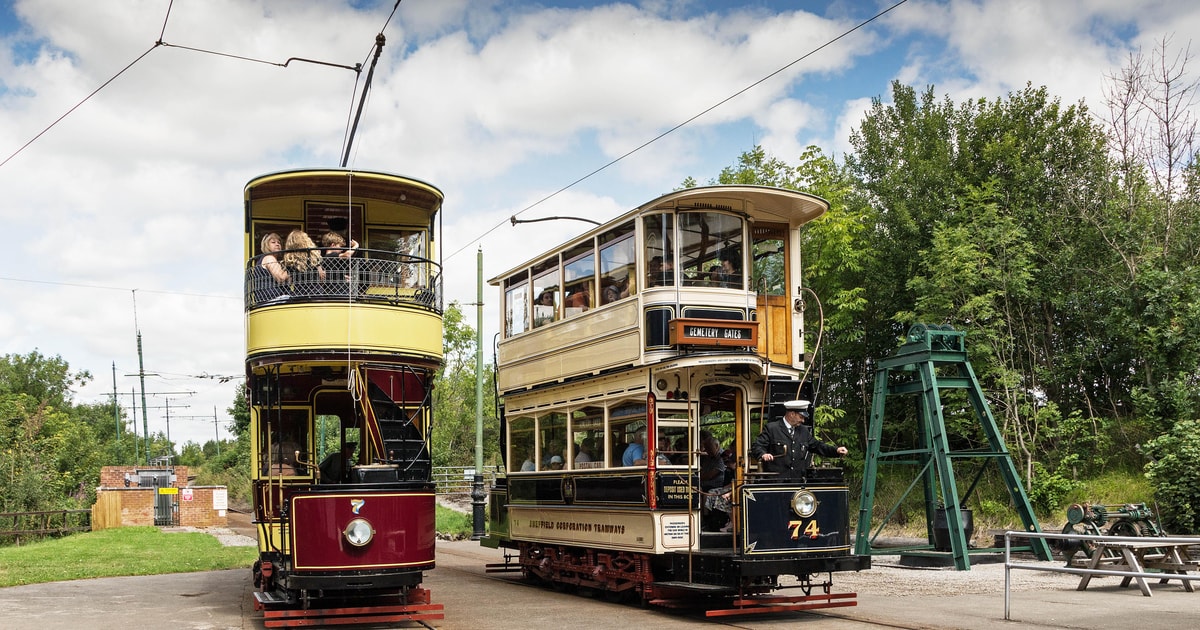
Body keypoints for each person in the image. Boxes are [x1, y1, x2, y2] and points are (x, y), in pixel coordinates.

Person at [751, 400, 847, 480]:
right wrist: (763, 454)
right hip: (776, 483)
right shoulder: (772, 428)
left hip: (796, 483)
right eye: (801, 417)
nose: (803, 421)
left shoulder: (803, 431)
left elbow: (817, 446)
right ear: (792, 414)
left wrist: (836, 450)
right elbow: (757, 446)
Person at [283, 229, 326, 295]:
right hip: (316, 291)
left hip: (299, 292)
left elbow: (290, 280)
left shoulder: (290, 259)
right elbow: (321, 275)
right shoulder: (313, 256)